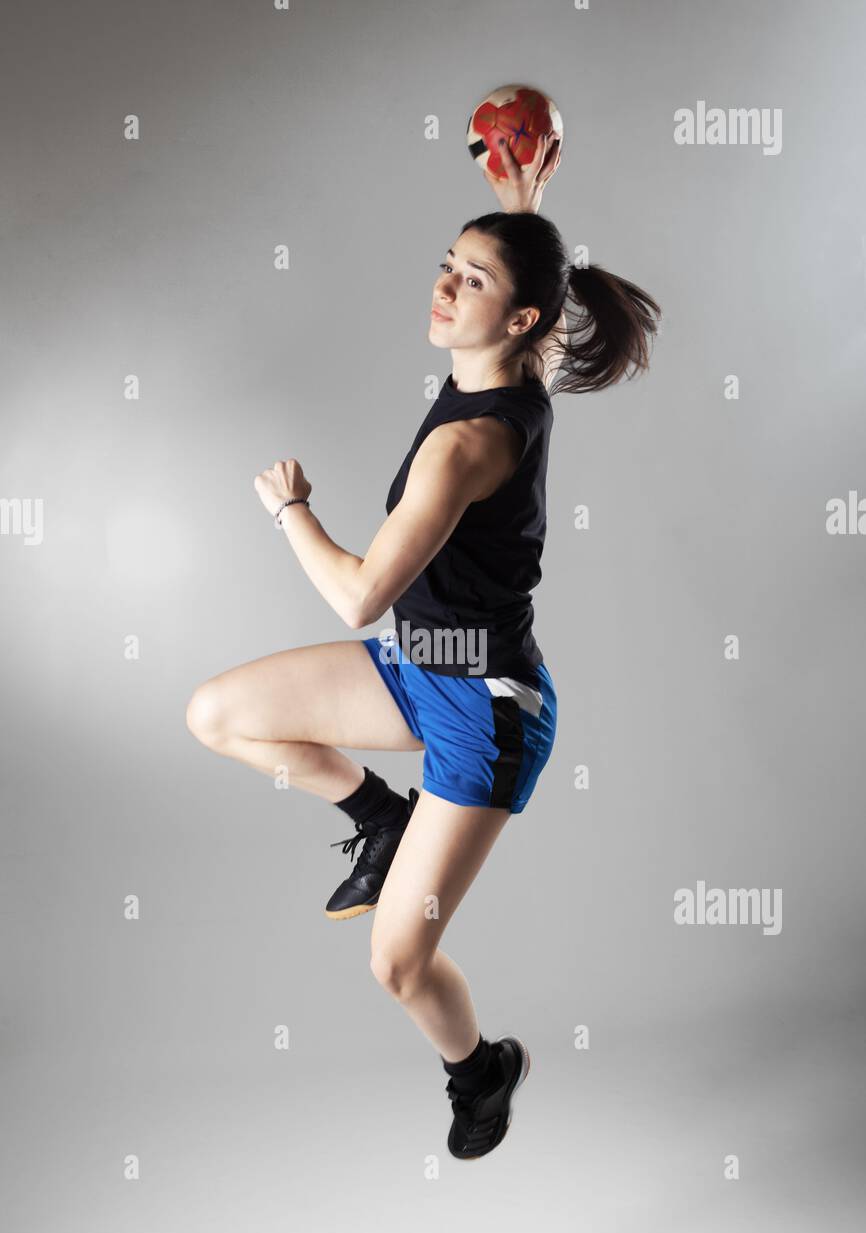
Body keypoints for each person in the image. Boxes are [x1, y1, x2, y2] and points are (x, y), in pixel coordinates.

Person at [186, 133, 661, 1160]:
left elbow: (359, 594)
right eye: (446, 263)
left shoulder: (468, 442)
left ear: (520, 316)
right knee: (217, 714)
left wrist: (291, 510)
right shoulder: (513, 361)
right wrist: (524, 191)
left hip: (485, 713)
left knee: (396, 963)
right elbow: (533, 275)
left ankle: (479, 1069)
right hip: (419, 670)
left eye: (472, 278)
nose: (445, 285)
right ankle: (378, 820)